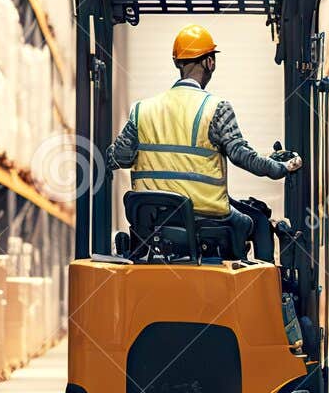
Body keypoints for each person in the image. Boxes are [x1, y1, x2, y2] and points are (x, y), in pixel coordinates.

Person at [105, 24, 301, 262]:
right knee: (258, 221)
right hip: (206, 219)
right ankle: (262, 283)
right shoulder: (216, 108)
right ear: (210, 62)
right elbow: (242, 156)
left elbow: (117, 158)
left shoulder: (141, 110)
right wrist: (280, 167)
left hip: (153, 223)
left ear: (177, 62)